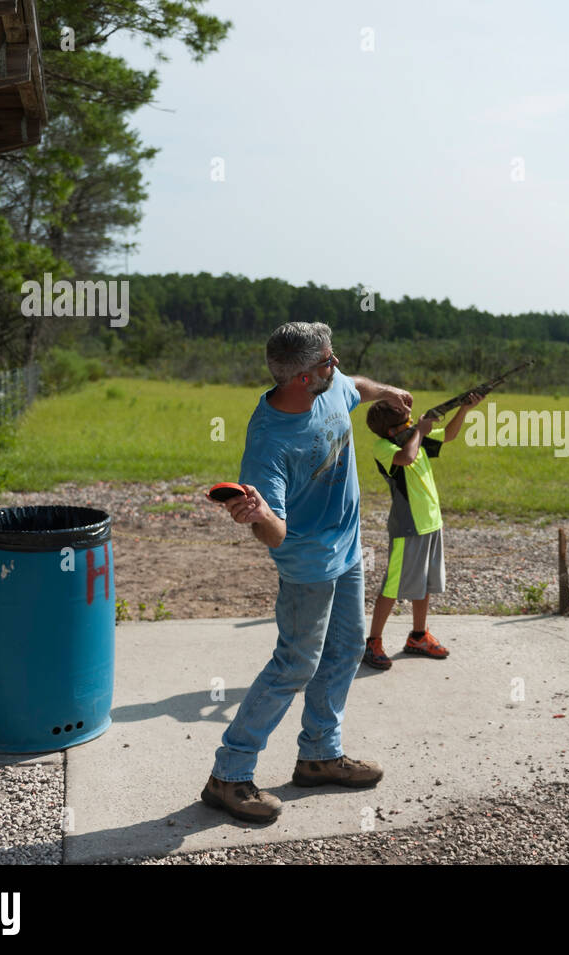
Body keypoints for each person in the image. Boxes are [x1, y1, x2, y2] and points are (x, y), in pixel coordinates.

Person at [200, 321, 413, 825]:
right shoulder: (270, 444)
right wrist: (259, 515)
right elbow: (273, 536)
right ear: (300, 379)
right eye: (326, 362)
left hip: (348, 551)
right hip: (308, 566)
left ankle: (319, 755)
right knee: (295, 665)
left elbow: (356, 386)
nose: (334, 365)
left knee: (345, 651)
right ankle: (228, 775)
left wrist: (389, 391)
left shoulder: (330, 384)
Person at [361, 391, 482, 670]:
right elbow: (407, 457)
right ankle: (374, 641)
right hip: (408, 525)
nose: (412, 419)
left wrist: (463, 410)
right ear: (393, 430)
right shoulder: (384, 447)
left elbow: (448, 436)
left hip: (430, 522)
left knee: (425, 583)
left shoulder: (412, 435)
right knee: (392, 586)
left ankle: (418, 636)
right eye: (406, 418)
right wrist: (420, 431)